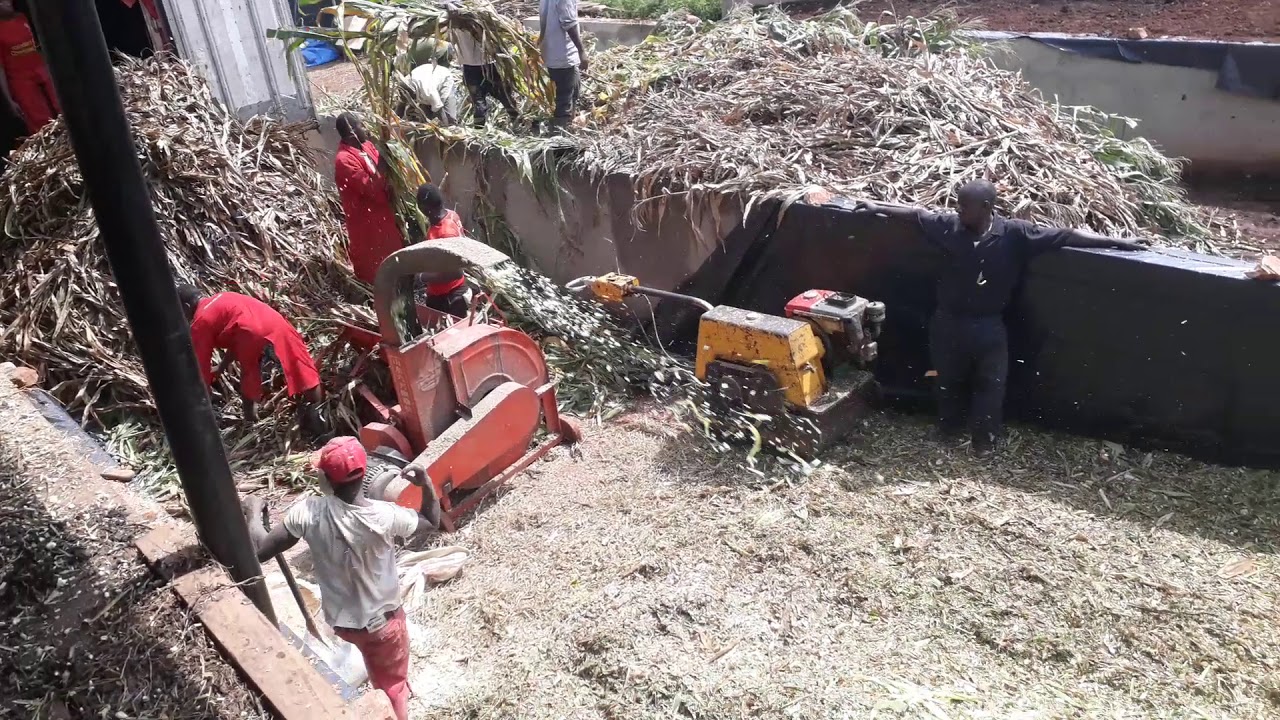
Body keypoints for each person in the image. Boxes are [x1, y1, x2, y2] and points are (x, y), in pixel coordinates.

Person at [854, 180, 1143, 456]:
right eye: (958, 204)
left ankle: (985, 439)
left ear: (987, 206)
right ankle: (948, 429)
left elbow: (1066, 235)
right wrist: (874, 206)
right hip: (948, 322)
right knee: (946, 379)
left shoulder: (1014, 234)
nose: (959, 210)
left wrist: (1118, 242)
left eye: (965, 206)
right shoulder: (949, 228)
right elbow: (916, 215)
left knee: (991, 384)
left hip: (987, 324)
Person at [242, 436, 440, 720]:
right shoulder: (384, 515)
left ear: (327, 480)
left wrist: (253, 513)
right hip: (384, 629)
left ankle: (381, 683)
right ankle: (393, 696)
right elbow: (431, 521)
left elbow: (260, 551)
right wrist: (426, 484)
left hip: (343, 624)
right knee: (392, 688)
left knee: (370, 665)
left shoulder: (308, 512)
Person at [177, 285, 326, 434]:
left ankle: (249, 423)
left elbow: (201, 371)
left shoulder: (200, 322)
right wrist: (222, 367)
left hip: (252, 335)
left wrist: (200, 404)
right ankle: (320, 413)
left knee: (249, 374)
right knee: (301, 369)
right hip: (275, 321)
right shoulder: (224, 296)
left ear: (186, 306)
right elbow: (237, 332)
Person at [334, 112, 403, 285]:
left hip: (384, 216)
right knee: (373, 265)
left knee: (393, 254)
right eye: (360, 126)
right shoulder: (344, 160)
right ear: (352, 132)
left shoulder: (367, 146)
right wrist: (383, 162)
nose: (365, 129)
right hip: (367, 223)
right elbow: (370, 187)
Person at [446, 3, 520, 129]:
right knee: (504, 96)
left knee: (480, 102)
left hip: (471, 66)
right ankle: (518, 124)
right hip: (487, 64)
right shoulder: (477, 9)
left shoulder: (452, 16)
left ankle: (479, 131)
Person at [413, 183, 472, 317]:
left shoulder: (445, 234)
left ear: (425, 208)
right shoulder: (450, 215)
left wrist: (422, 277)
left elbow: (455, 272)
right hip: (442, 293)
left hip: (449, 298)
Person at [0, 0, 59, 135]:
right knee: (41, 122)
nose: (7, 3)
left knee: (63, 108)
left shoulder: (23, 17)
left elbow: (39, 45)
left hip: (43, 70)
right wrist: (9, 100)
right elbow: (1, 69)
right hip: (21, 81)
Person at [538, 0, 587, 129]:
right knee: (564, 98)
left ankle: (571, 121)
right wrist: (582, 51)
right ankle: (559, 136)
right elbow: (568, 23)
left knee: (574, 88)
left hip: (552, 51)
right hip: (563, 54)